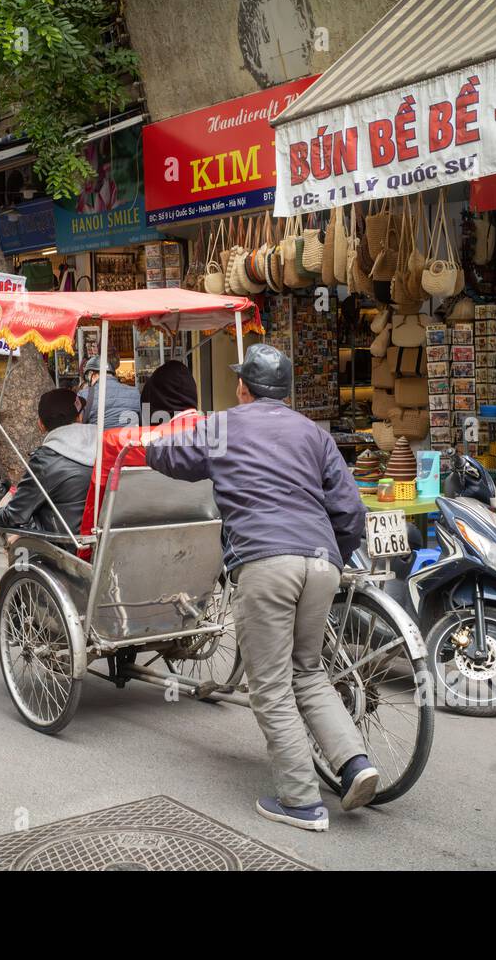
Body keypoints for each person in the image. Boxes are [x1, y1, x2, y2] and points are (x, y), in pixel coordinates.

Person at [144, 343, 375, 832]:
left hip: (266, 564)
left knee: (270, 687)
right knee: (307, 672)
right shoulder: (314, 434)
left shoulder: (225, 427)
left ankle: (301, 801)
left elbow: (169, 456)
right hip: (322, 563)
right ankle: (355, 764)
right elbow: (350, 511)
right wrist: (331, 551)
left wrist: (148, 441)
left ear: (243, 388)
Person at [78, 360, 202, 542]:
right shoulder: (219, 434)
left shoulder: (119, 443)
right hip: (202, 537)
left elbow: (95, 511)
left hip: (133, 542)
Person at [0, 388, 95, 538]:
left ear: (41, 425)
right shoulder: (109, 447)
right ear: (80, 417)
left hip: (64, 545)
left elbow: (16, 515)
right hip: (101, 539)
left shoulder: (45, 460)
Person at [77, 355, 141, 430]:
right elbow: (142, 421)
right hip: (128, 440)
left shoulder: (84, 394)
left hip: (99, 441)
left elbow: (79, 425)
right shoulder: (135, 392)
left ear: (93, 375)